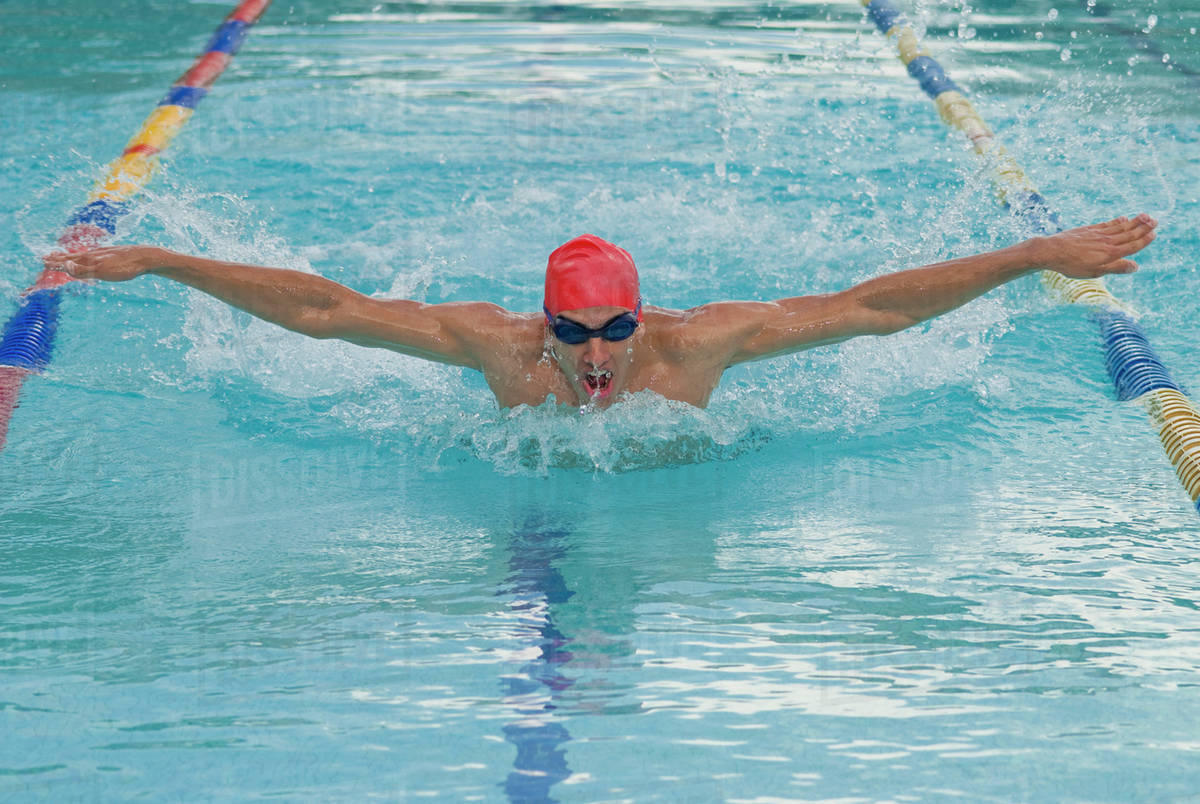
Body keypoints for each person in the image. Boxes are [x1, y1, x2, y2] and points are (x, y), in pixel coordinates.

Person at [44, 214, 1157, 409]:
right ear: (542, 324)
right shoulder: (498, 346)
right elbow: (328, 314)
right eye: (570, 332)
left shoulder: (701, 344)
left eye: (610, 332)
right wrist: (155, 261)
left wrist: (1030, 255)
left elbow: (872, 311)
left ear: (642, 322)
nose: (589, 356)